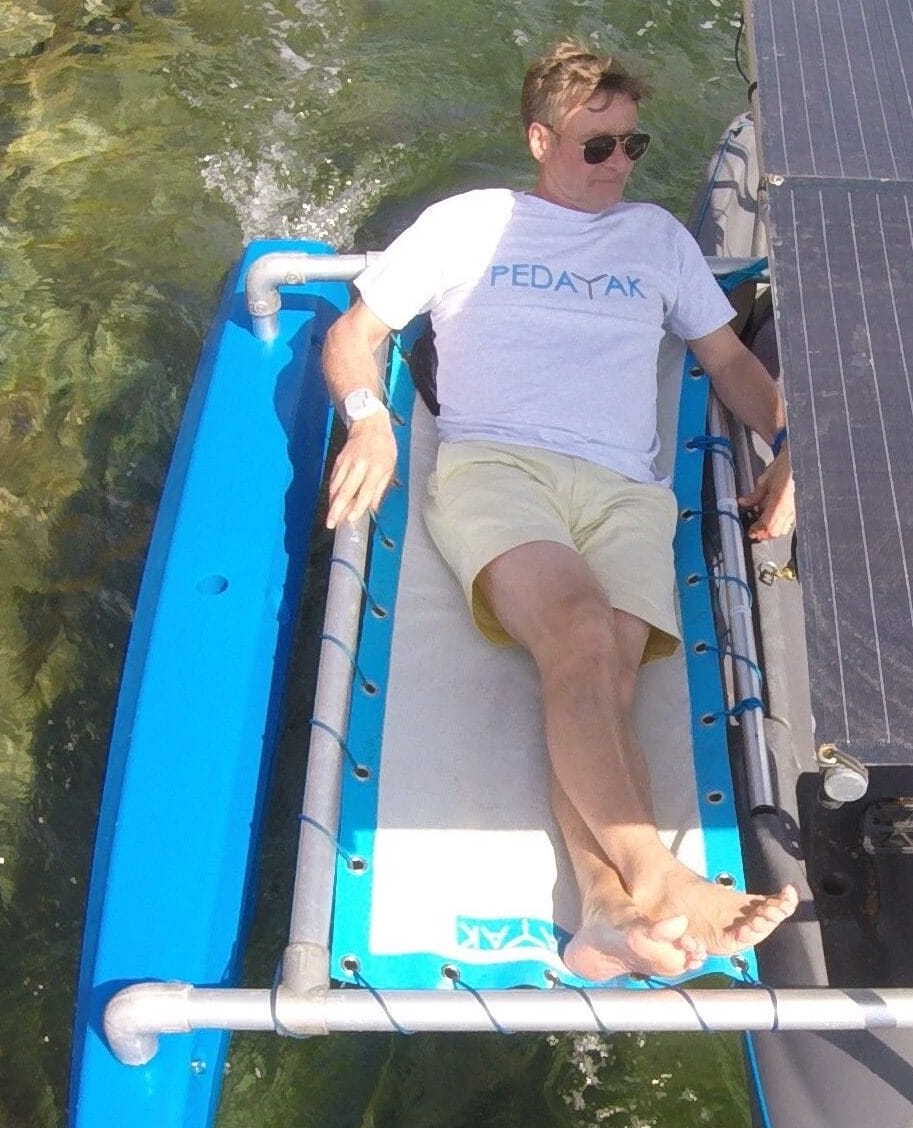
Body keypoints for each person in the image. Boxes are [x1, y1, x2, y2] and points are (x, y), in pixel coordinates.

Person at [319, 41, 799, 983]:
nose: (619, 165)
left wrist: (794, 445)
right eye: (596, 146)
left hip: (625, 489)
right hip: (500, 468)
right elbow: (354, 333)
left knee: (605, 673)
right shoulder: (469, 223)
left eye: (632, 145)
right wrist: (370, 420)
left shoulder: (656, 238)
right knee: (580, 632)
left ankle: (606, 914)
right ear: (541, 140)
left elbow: (732, 366)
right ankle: (660, 875)